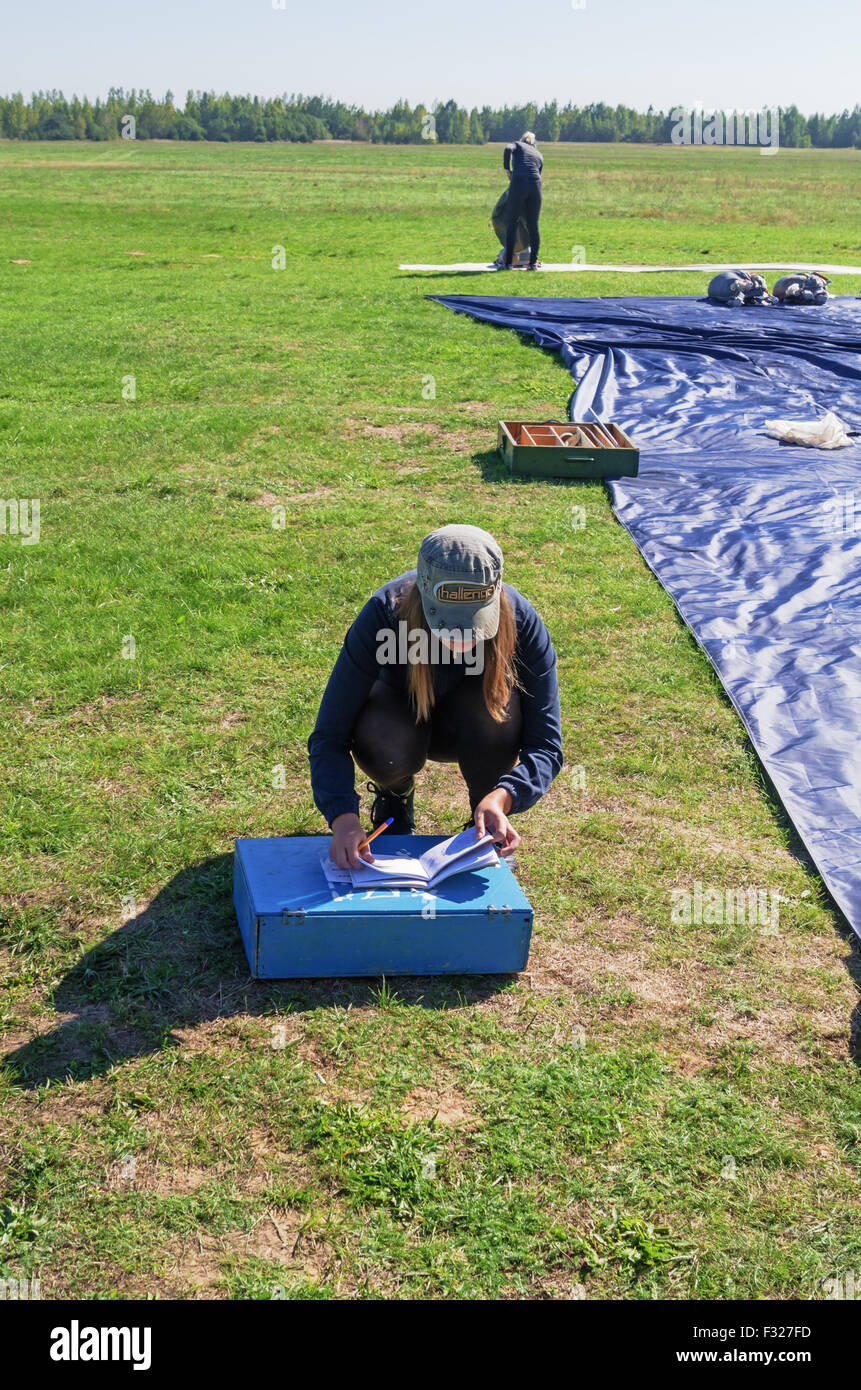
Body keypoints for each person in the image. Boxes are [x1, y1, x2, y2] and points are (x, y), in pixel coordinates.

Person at [308, 524, 563, 870]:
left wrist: (504, 795)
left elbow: (546, 744)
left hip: (475, 728)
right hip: (401, 721)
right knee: (387, 748)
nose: (461, 638)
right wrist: (344, 819)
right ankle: (395, 797)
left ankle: (483, 821)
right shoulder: (384, 614)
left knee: (498, 708)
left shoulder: (522, 622)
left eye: (475, 623)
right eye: (446, 622)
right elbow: (329, 734)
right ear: (422, 597)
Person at [500, 131, 543, 271]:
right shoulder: (539, 155)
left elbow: (507, 149)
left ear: (522, 139)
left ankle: (508, 263)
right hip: (536, 187)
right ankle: (533, 263)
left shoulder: (517, 145)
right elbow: (537, 173)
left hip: (518, 184)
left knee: (512, 222)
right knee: (533, 225)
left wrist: (507, 169)